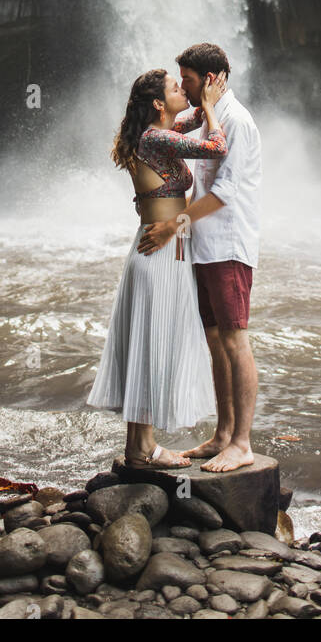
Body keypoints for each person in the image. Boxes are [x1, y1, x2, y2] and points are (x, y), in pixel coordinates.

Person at [86, 66, 229, 468]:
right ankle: (146, 447)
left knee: (149, 344)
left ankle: (137, 448)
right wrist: (213, 113)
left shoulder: (152, 133)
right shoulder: (155, 138)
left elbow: (190, 118)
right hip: (160, 253)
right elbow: (216, 146)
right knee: (153, 345)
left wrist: (205, 102)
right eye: (173, 87)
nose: (182, 89)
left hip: (158, 248)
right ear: (157, 103)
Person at [140, 43, 260, 473]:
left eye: (187, 80)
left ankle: (242, 443)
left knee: (234, 339)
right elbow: (198, 181)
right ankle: (223, 435)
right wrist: (185, 233)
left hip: (228, 246)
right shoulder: (212, 117)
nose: (184, 89)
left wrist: (175, 225)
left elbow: (224, 193)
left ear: (208, 79)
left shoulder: (237, 122)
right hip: (204, 246)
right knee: (215, 341)